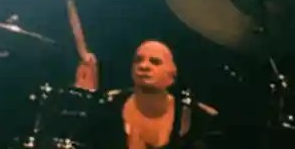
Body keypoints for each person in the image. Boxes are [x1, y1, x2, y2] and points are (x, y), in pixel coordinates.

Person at [74, 40, 214, 149]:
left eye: (155, 62)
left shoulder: (194, 118)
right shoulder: (110, 107)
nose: (143, 66)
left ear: (172, 75)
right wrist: (81, 97)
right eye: (138, 60)